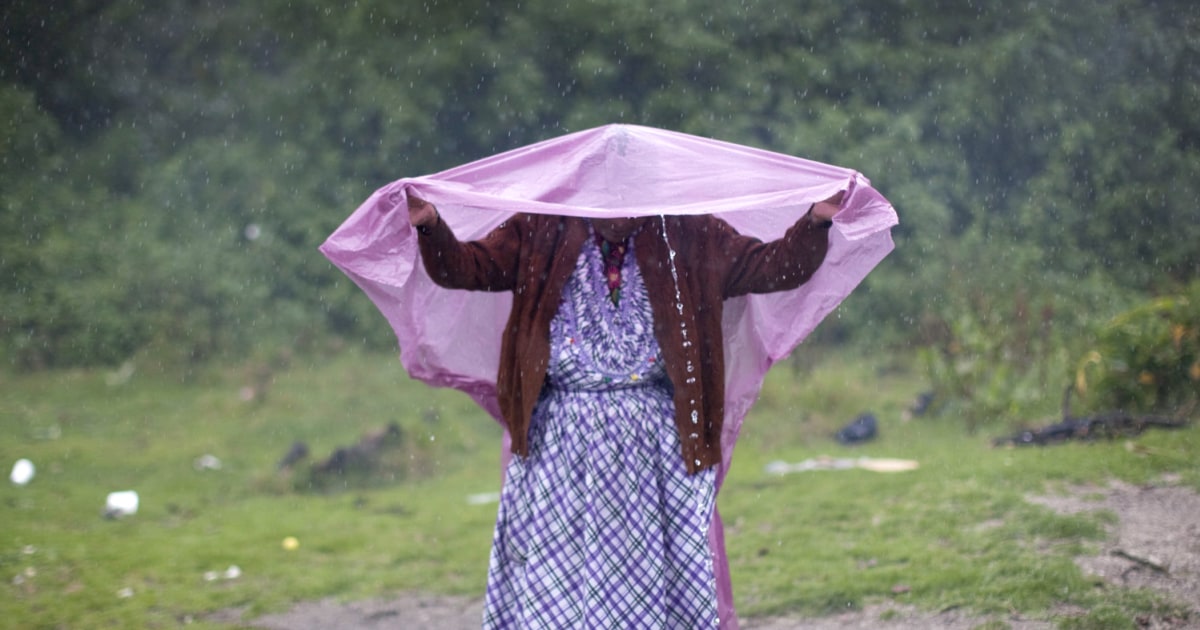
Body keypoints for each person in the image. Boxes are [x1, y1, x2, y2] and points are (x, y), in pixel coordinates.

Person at [407, 191, 841, 629]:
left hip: (656, 439)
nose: (618, 203)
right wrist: (430, 224)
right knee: (558, 566)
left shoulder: (688, 231)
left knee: (655, 563)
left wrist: (816, 221)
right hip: (561, 436)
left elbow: (773, 267)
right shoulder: (542, 228)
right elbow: (465, 266)